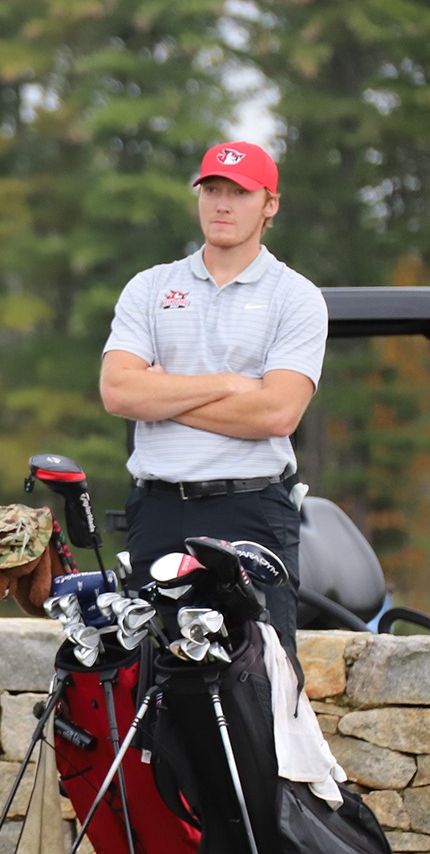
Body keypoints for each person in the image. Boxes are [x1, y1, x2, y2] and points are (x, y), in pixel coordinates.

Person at [100, 141, 326, 659]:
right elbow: (118, 391)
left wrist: (161, 393)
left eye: (239, 193)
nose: (222, 204)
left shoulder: (296, 296)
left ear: (270, 204)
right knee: (153, 680)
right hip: (157, 508)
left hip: (249, 511)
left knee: (260, 681)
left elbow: (277, 412)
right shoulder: (150, 286)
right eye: (212, 190)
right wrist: (229, 383)